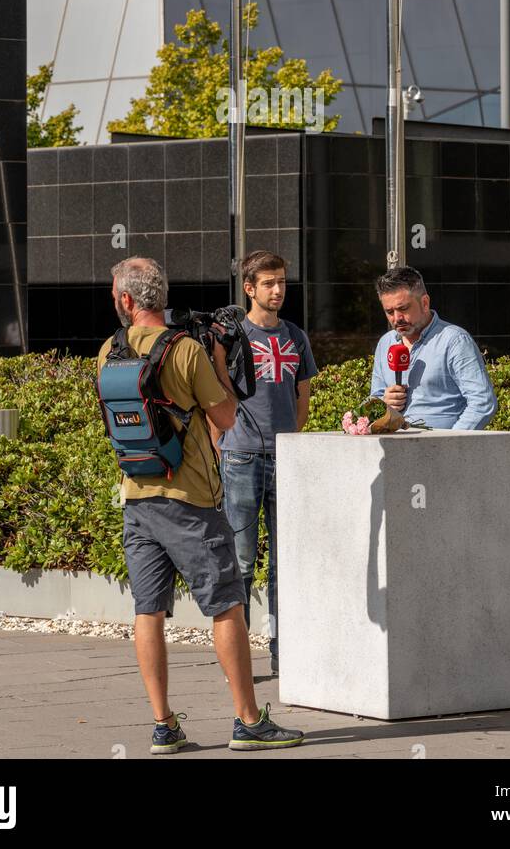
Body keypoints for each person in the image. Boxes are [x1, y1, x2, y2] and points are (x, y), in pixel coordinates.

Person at [98, 256, 304, 754]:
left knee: (148, 610)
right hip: (190, 498)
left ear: (126, 300)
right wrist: (215, 359)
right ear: (160, 295)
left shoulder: (109, 349)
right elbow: (228, 417)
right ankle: (248, 721)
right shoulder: (186, 349)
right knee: (227, 605)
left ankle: (164, 725)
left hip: (137, 496)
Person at [217, 251, 317, 677]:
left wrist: (288, 440)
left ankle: (283, 654)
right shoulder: (232, 336)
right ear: (249, 288)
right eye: (268, 283)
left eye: (282, 282)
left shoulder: (295, 335)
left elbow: (302, 396)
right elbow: (215, 397)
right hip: (241, 457)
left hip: (285, 457)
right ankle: (237, 661)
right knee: (241, 562)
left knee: (283, 562)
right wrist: (223, 445)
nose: (278, 290)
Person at [371, 265, 498, 430]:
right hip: (393, 442)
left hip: (439, 442)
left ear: (424, 303)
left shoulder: (454, 341)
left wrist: (450, 441)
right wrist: (384, 403)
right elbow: (375, 399)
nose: (397, 318)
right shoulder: (385, 343)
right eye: (389, 312)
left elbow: (483, 402)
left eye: (403, 308)